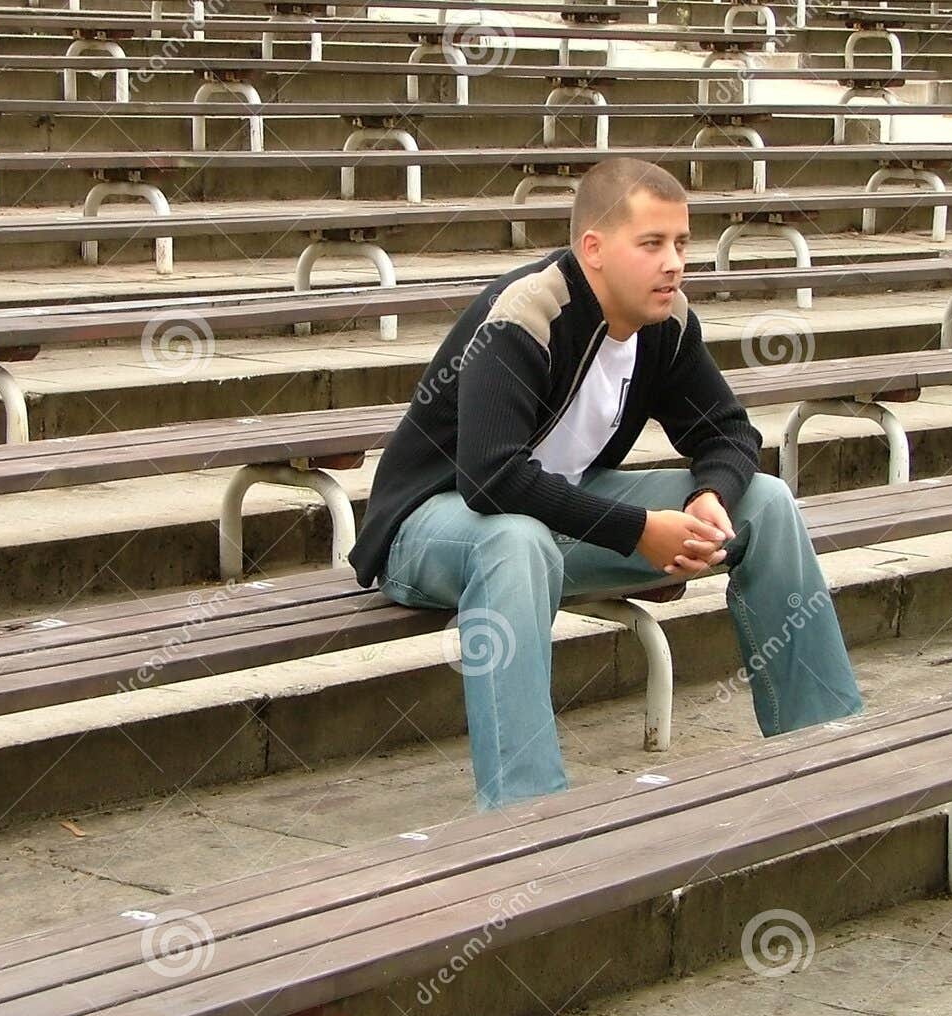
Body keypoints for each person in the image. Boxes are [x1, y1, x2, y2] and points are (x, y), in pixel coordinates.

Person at [348, 157, 864, 809]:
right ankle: (527, 810)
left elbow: (730, 434)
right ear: (593, 249)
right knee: (515, 540)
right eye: (651, 244)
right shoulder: (526, 314)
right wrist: (637, 532)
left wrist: (712, 495)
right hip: (432, 527)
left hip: (551, 520)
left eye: (681, 243)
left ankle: (826, 747)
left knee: (764, 502)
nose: (673, 262)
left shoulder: (666, 323)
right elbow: (490, 478)